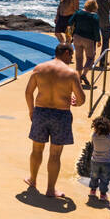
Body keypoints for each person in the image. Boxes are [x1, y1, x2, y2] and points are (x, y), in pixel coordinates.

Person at [24, 43, 85, 198]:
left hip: (41, 112)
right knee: (55, 154)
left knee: (37, 149)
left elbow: (28, 92)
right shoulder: (71, 74)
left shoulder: (39, 69)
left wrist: (32, 110)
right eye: (71, 55)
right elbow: (81, 99)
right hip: (61, 115)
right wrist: (75, 102)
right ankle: (50, 190)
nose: (71, 59)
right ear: (65, 52)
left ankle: (32, 179)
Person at [66, 0, 101, 88]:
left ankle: (78, 77)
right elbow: (96, 31)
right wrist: (98, 40)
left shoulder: (78, 13)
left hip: (77, 37)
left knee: (78, 58)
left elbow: (70, 22)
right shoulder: (95, 16)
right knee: (90, 58)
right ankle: (84, 74)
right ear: (95, 7)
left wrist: (70, 35)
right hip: (89, 40)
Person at [88, 115, 110, 202]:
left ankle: (93, 190)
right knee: (105, 178)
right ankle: (103, 195)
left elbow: (92, 144)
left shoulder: (94, 136)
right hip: (107, 161)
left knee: (94, 176)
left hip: (95, 161)